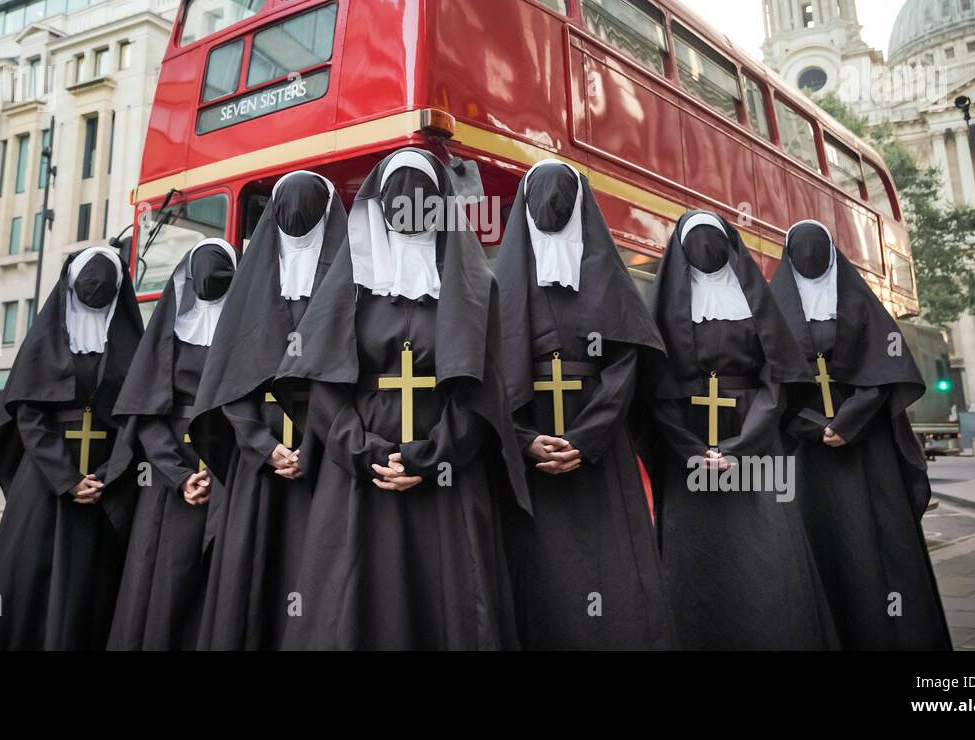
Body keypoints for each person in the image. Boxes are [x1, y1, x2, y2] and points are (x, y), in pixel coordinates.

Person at [275, 147, 531, 649]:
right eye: (397, 195)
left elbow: (483, 385)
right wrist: (362, 451)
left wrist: (433, 455)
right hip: (358, 477)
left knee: (451, 601)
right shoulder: (348, 284)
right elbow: (322, 383)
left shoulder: (478, 286)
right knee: (356, 604)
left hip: (446, 472)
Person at [637, 210, 837, 650]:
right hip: (687, 446)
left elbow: (776, 378)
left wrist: (741, 446)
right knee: (696, 560)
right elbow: (654, 390)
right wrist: (691, 451)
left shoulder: (755, 300)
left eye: (715, 242)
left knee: (768, 553)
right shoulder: (666, 307)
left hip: (756, 444)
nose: (707, 252)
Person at [494, 160, 669, 649]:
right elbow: (491, 373)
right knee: (540, 582)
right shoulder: (499, 288)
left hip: (598, 457)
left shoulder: (607, 280)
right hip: (530, 465)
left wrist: (586, 439)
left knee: (614, 576)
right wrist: (525, 441)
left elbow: (624, 365)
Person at [771, 219, 952, 650]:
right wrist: (813, 427)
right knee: (819, 546)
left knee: (873, 544)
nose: (811, 261)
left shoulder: (860, 304)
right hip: (806, 454)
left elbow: (884, 372)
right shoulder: (774, 309)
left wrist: (848, 422)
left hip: (865, 445)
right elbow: (771, 384)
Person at [189, 171, 346, 650]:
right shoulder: (252, 291)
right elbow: (229, 386)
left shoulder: (349, 284)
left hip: (328, 464)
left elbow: (354, 381)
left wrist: (314, 445)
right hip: (260, 467)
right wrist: (264, 445)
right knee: (256, 577)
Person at [0, 247, 144, 650]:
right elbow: (28, 418)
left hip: (109, 484)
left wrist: (110, 473)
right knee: (33, 574)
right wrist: (66, 478)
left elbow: (138, 417)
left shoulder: (131, 347)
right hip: (47, 482)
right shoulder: (45, 343)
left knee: (97, 581)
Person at [105, 238, 236, 650]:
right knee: (161, 584)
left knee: (217, 579)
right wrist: (180, 475)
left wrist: (219, 468)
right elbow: (146, 413)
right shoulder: (168, 337)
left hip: (228, 472)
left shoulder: (243, 334)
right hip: (168, 481)